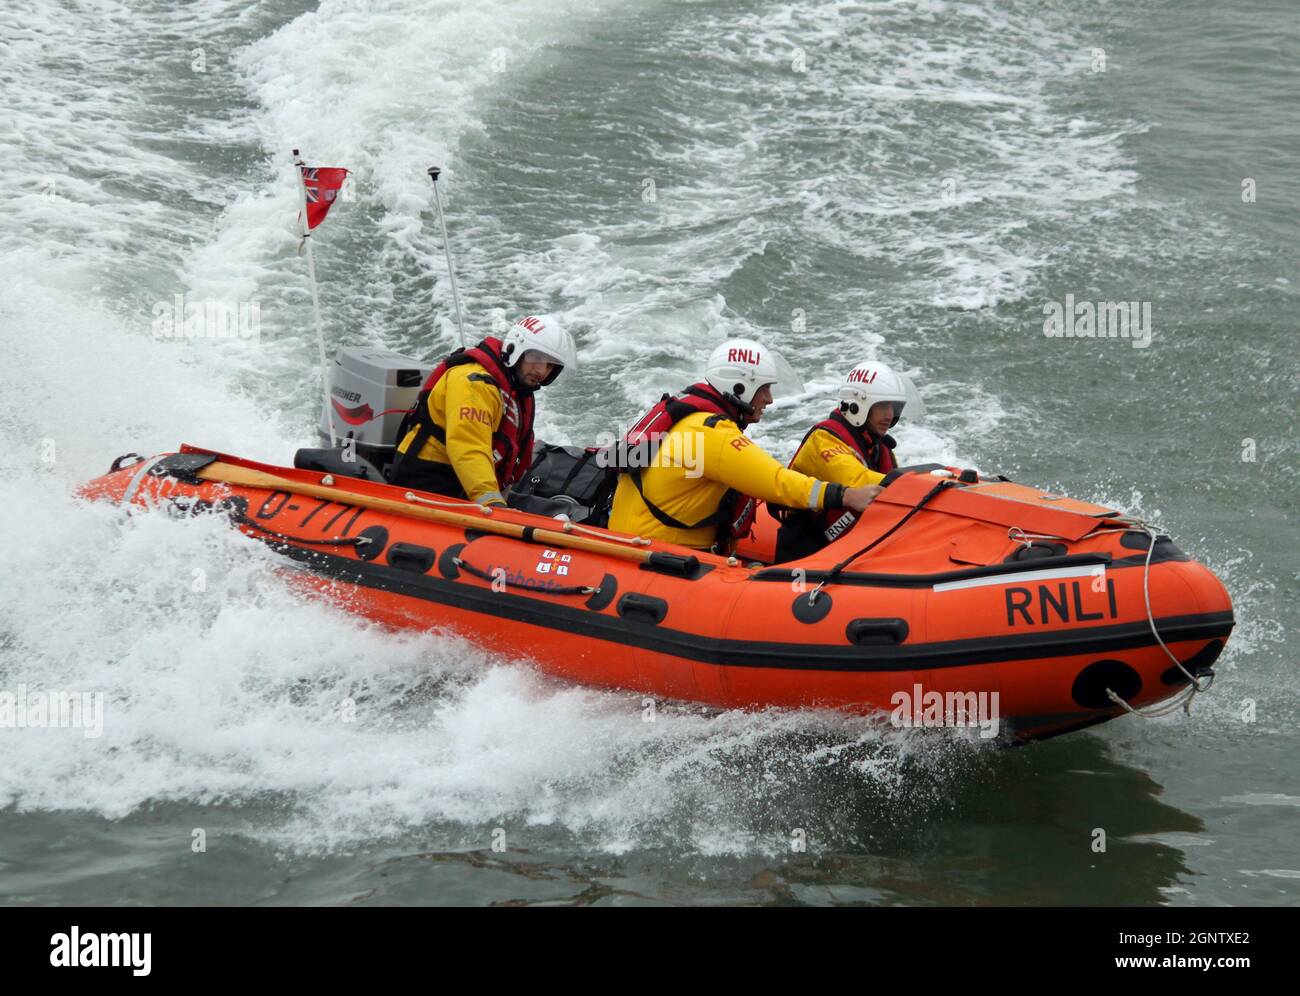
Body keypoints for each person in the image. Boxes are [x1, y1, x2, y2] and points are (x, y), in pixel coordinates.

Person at [607, 338, 882, 552]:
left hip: (636, 540)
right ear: (739, 388)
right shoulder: (712, 434)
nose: (769, 399)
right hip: (658, 551)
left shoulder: (691, 420)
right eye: (764, 388)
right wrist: (846, 496)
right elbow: (778, 482)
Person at [388, 315, 576, 506]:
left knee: (557, 511)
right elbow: (468, 448)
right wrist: (493, 503)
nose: (541, 371)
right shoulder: (474, 385)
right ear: (515, 350)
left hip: (468, 483)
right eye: (537, 358)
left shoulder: (517, 389)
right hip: (428, 479)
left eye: (550, 365)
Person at [773, 360, 919, 562]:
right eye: (883, 406)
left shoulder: (878, 446)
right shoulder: (823, 441)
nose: (889, 415)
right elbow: (859, 480)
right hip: (807, 553)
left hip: (849, 551)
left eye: (894, 407)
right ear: (858, 404)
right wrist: (921, 486)